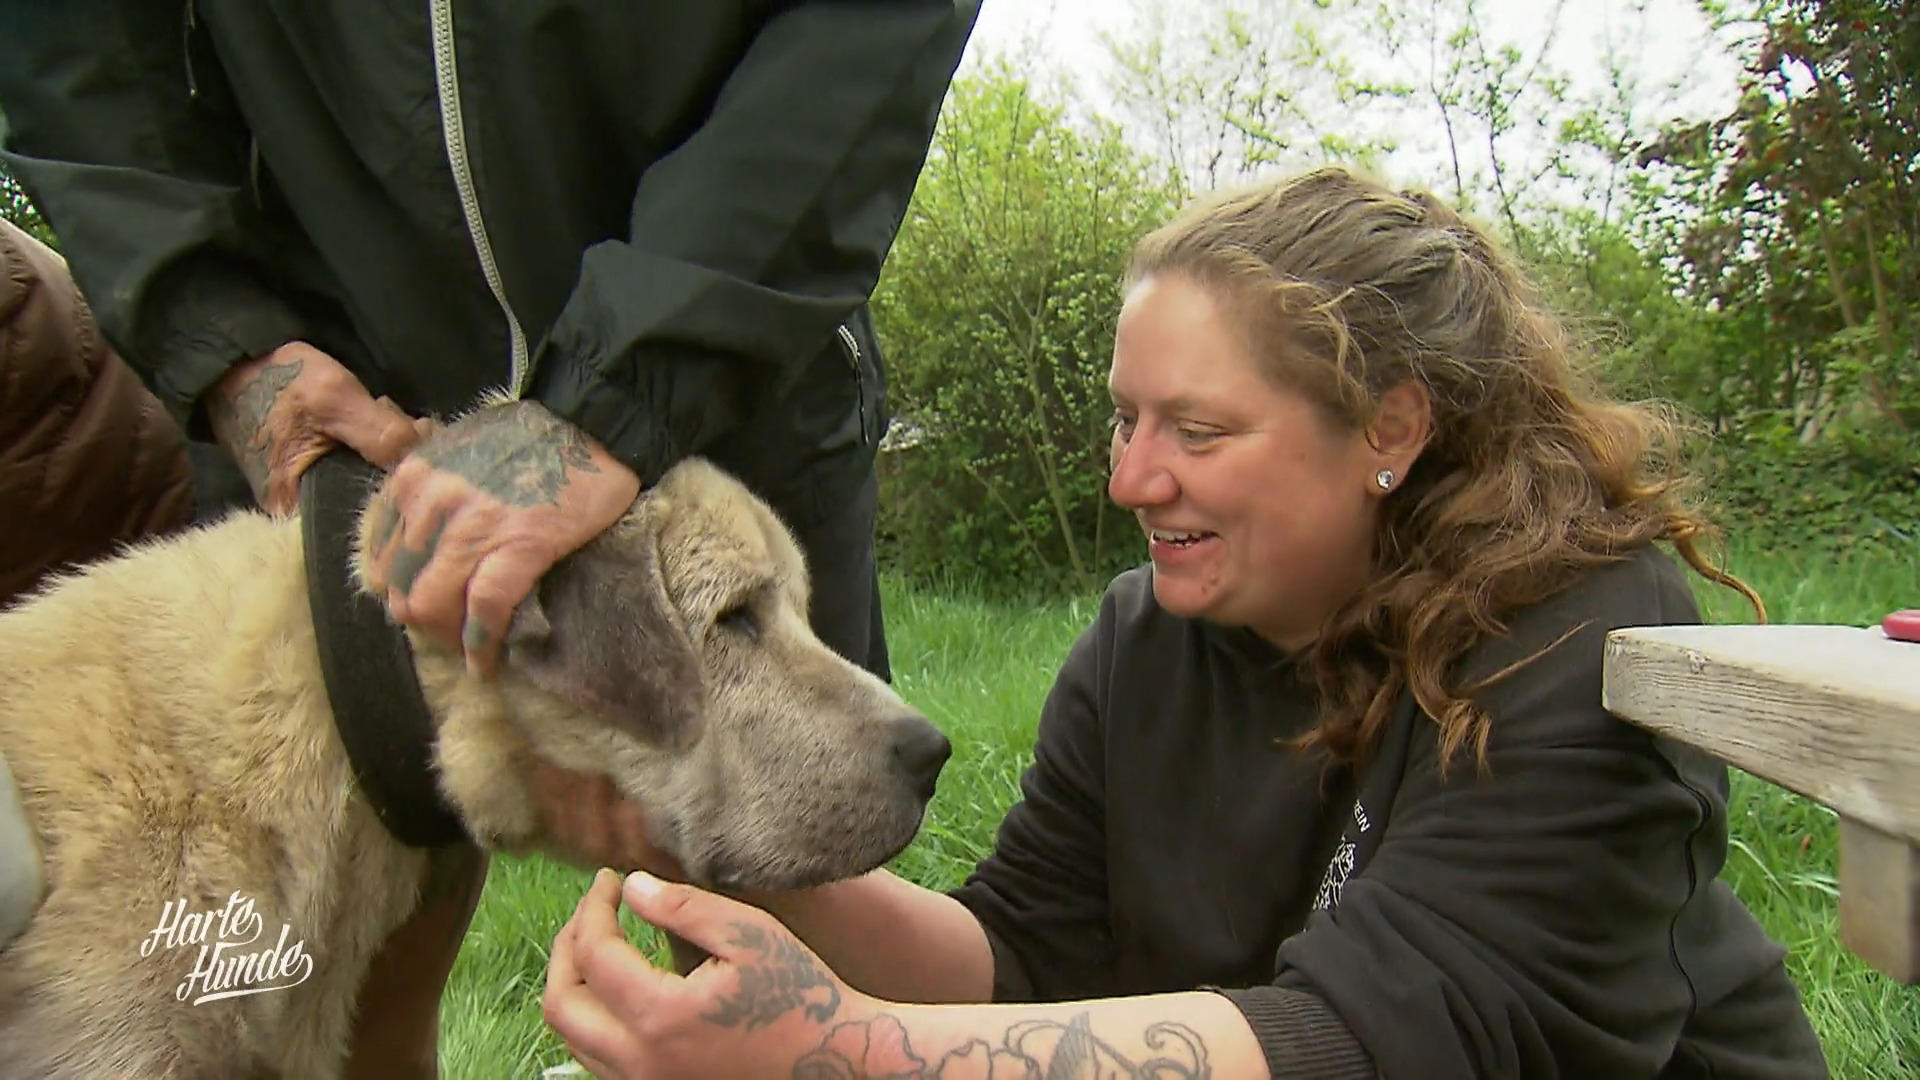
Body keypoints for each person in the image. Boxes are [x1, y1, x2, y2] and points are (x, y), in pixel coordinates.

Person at [539, 167, 1831, 1079]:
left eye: (1196, 431)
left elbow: (1389, 1051)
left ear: (1389, 426)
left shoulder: (1576, 635)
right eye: (1124, 418)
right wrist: (719, 841)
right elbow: (1020, 962)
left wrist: (841, 1055)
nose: (1129, 481)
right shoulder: (1148, 639)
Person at [0, 4, 978, 1077]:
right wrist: (225, 340)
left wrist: (635, 381)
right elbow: (77, 43)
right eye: (745, 619)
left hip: (730, 325)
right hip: (351, 355)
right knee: (316, 928)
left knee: (802, 931)